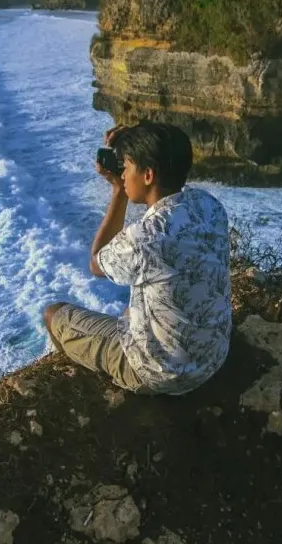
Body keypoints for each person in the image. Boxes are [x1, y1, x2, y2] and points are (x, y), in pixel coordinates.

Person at [42, 121, 231, 395]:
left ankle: (83, 387)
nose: (123, 173)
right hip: (212, 356)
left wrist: (118, 192)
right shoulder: (208, 205)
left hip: (161, 374)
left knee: (53, 313)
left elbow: (95, 262)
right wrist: (131, 149)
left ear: (148, 175)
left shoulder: (146, 237)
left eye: (127, 166)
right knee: (131, 308)